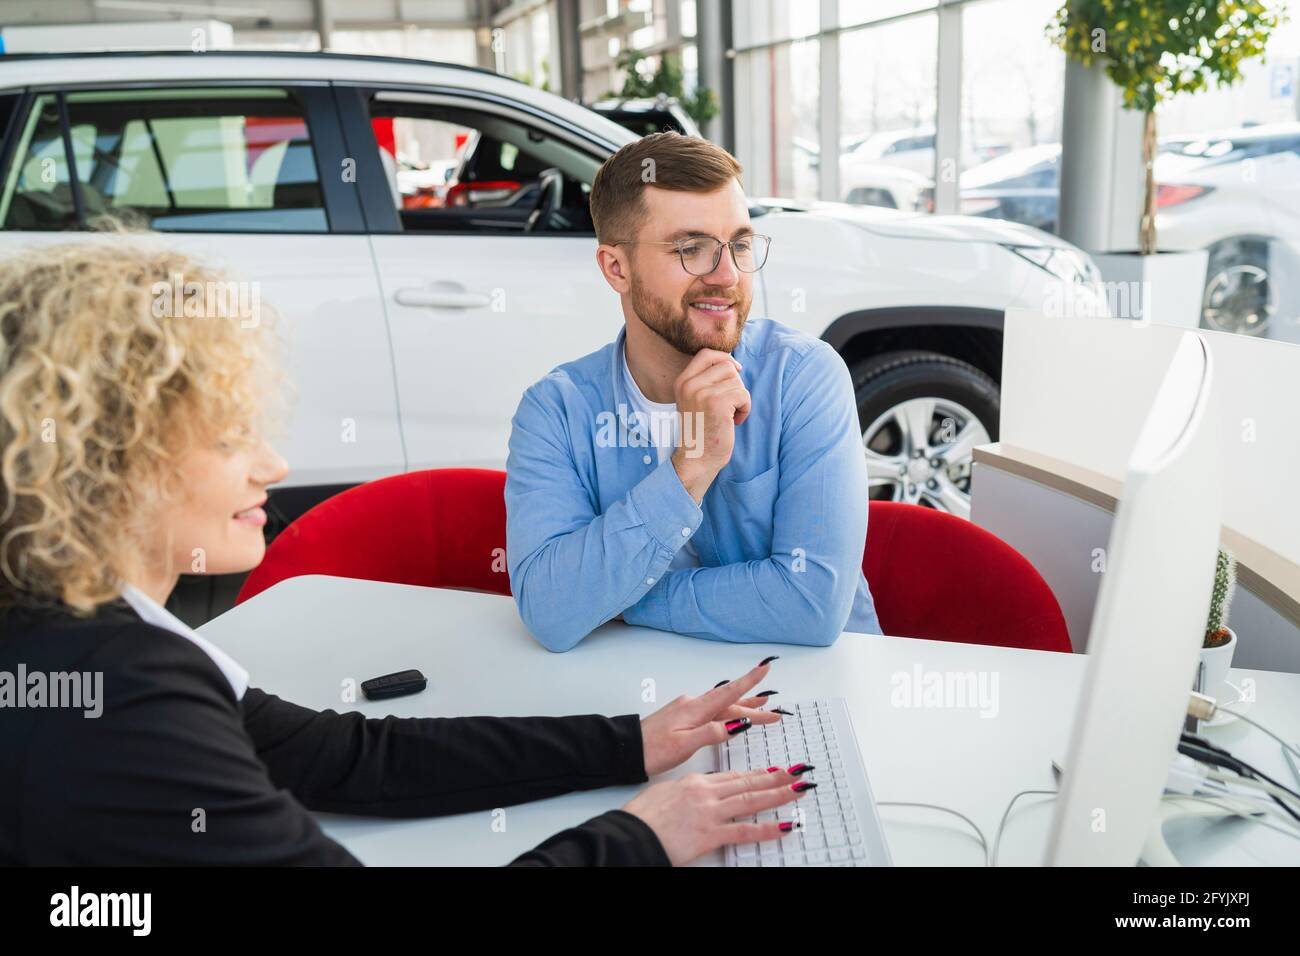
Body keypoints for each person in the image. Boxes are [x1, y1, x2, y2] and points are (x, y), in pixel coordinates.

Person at [0, 241, 813, 866]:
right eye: (225, 437)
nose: (273, 468)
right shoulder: (118, 701)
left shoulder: (74, 625)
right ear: (107, 462)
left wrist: (628, 742)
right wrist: (638, 838)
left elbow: (345, 757)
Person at [505, 132, 881, 652]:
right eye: (691, 248)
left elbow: (811, 606)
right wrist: (692, 467)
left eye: (740, 244)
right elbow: (549, 610)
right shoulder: (556, 410)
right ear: (617, 267)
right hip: (636, 701)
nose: (726, 275)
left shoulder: (803, 378)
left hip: (811, 694)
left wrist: (614, 600)